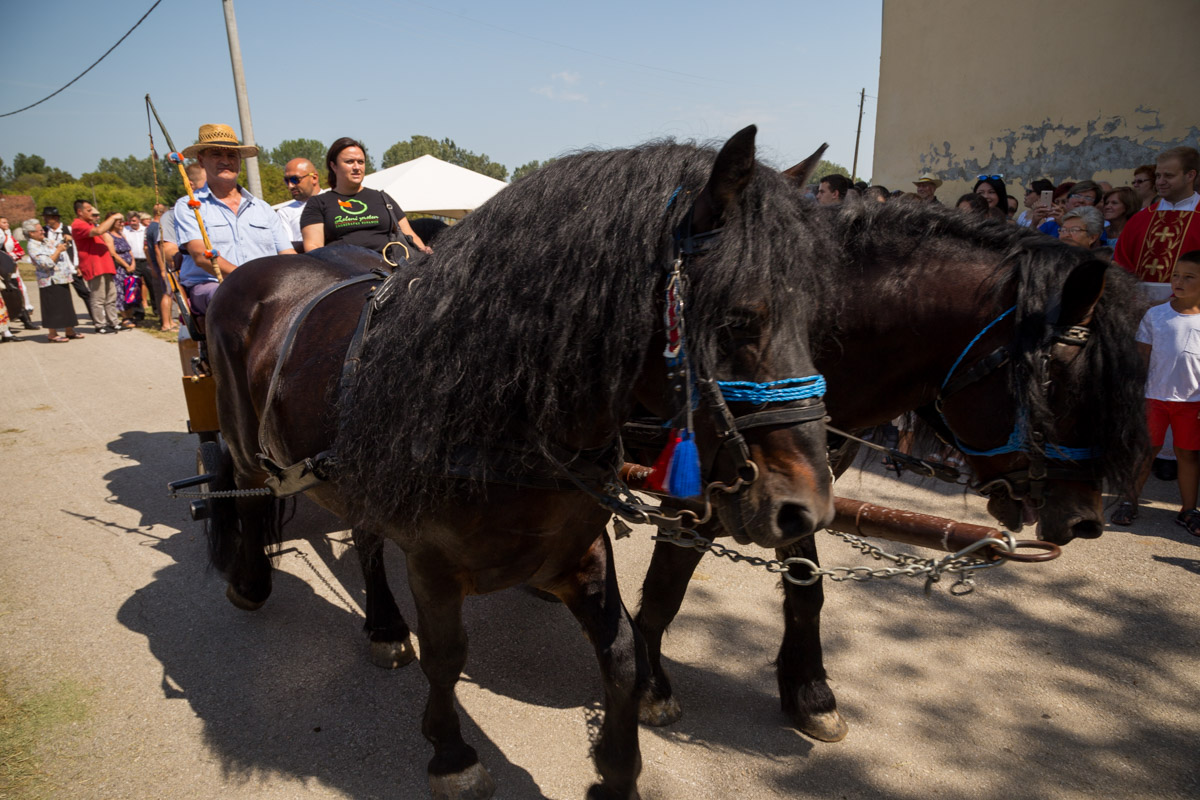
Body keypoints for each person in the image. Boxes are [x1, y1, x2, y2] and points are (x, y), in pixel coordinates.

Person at [1110, 250, 1200, 535]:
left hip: (1192, 403)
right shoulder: (1155, 315)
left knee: (1189, 455)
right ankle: (1129, 500)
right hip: (1154, 398)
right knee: (1146, 451)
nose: (1179, 281)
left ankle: (1188, 510)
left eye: (1189, 277)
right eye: (1176, 275)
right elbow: (1142, 357)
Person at [174, 124, 295, 314]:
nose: (225, 161)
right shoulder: (189, 206)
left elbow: (287, 253)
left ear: (239, 161)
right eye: (216, 154)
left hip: (267, 288)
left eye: (231, 155)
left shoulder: (262, 208)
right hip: (212, 287)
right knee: (233, 299)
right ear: (201, 160)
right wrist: (248, 279)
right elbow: (200, 256)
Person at [301, 137, 432, 257]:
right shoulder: (318, 203)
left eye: (360, 162)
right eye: (349, 162)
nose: (357, 167)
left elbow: (409, 235)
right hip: (343, 273)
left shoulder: (382, 198)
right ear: (333, 166)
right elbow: (314, 247)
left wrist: (424, 254)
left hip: (390, 268)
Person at [1114, 146, 1200, 301]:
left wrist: (1177, 300)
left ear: (1190, 175)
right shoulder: (1140, 219)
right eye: (1158, 176)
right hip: (1137, 307)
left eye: (1168, 176)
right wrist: (1134, 298)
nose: (1160, 182)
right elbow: (1121, 262)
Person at [23, 219, 82, 341]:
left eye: (42, 230)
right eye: (39, 230)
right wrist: (58, 250)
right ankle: (52, 334)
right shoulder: (32, 246)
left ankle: (69, 330)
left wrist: (65, 240)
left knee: (66, 305)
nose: (42, 232)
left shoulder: (45, 241)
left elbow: (59, 244)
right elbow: (46, 263)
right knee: (52, 307)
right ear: (31, 233)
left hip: (61, 277)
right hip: (48, 280)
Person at [70, 199, 121, 333]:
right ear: (79, 212)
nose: (92, 213)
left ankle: (113, 322)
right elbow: (98, 231)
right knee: (98, 297)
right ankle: (100, 324)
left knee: (111, 295)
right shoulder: (78, 225)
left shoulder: (89, 223)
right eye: (89, 210)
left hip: (105, 264)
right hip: (94, 265)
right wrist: (113, 217)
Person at [43, 206, 91, 319]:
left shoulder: (68, 229)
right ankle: (62, 318)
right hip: (56, 269)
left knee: (84, 292)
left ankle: (96, 317)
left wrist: (78, 265)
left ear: (55, 218)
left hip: (71, 267)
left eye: (47, 217)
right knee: (60, 295)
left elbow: (76, 248)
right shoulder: (44, 231)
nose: (45, 219)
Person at [103, 212, 139, 330]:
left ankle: (131, 314)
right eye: (119, 222)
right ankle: (125, 317)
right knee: (121, 292)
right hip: (119, 268)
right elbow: (113, 253)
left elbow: (129, 250)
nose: (122, 224)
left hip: (130, 268)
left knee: (130, 291)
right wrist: (125, 265)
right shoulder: (108, 235)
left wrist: (132, 263)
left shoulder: (121, 234)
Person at [144, 203, 175, 331]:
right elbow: (158, 248)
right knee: (167, 293)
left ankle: (169, 321)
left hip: (156, 265)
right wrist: (162, 269)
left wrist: (152, 265)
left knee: (167, 292)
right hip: (163, 265)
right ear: (163, 213)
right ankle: (166, 324)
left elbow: (146, 248)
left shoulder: (150, 226)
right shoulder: (158, 227)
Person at [277, 158, 322, 246]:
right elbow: (288, 248)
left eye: (295, 179)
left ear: (314, 178)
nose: (290, 186)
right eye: (287, 181)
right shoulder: (285, 213)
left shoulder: (334, 201)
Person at [123, 211, 155, 322]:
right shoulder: (125, 231)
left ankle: (156, 309)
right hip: (134, 261)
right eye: (131, 221)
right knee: (135, 286)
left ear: (139, 220)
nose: (133, 223)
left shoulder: (145, 230)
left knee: (152, 284)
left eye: (135, 220)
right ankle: (139, 312)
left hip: (146, 260)